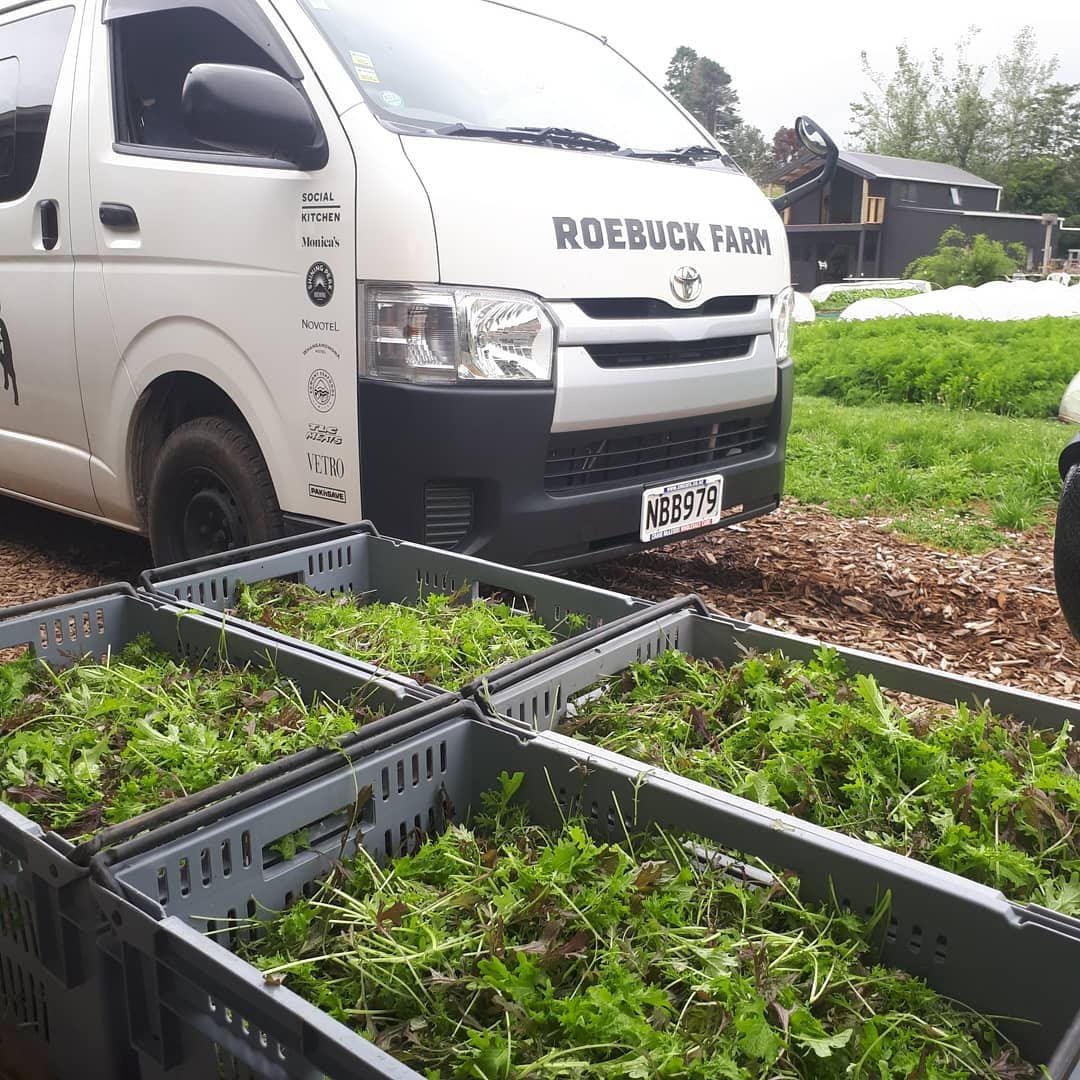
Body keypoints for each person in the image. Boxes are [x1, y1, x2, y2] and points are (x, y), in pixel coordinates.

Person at [0, 302, 16, 407]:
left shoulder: (1, 323)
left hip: (5, 351)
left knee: (11, 373)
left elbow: (5, 341)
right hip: (4, 351)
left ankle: (16, 396)